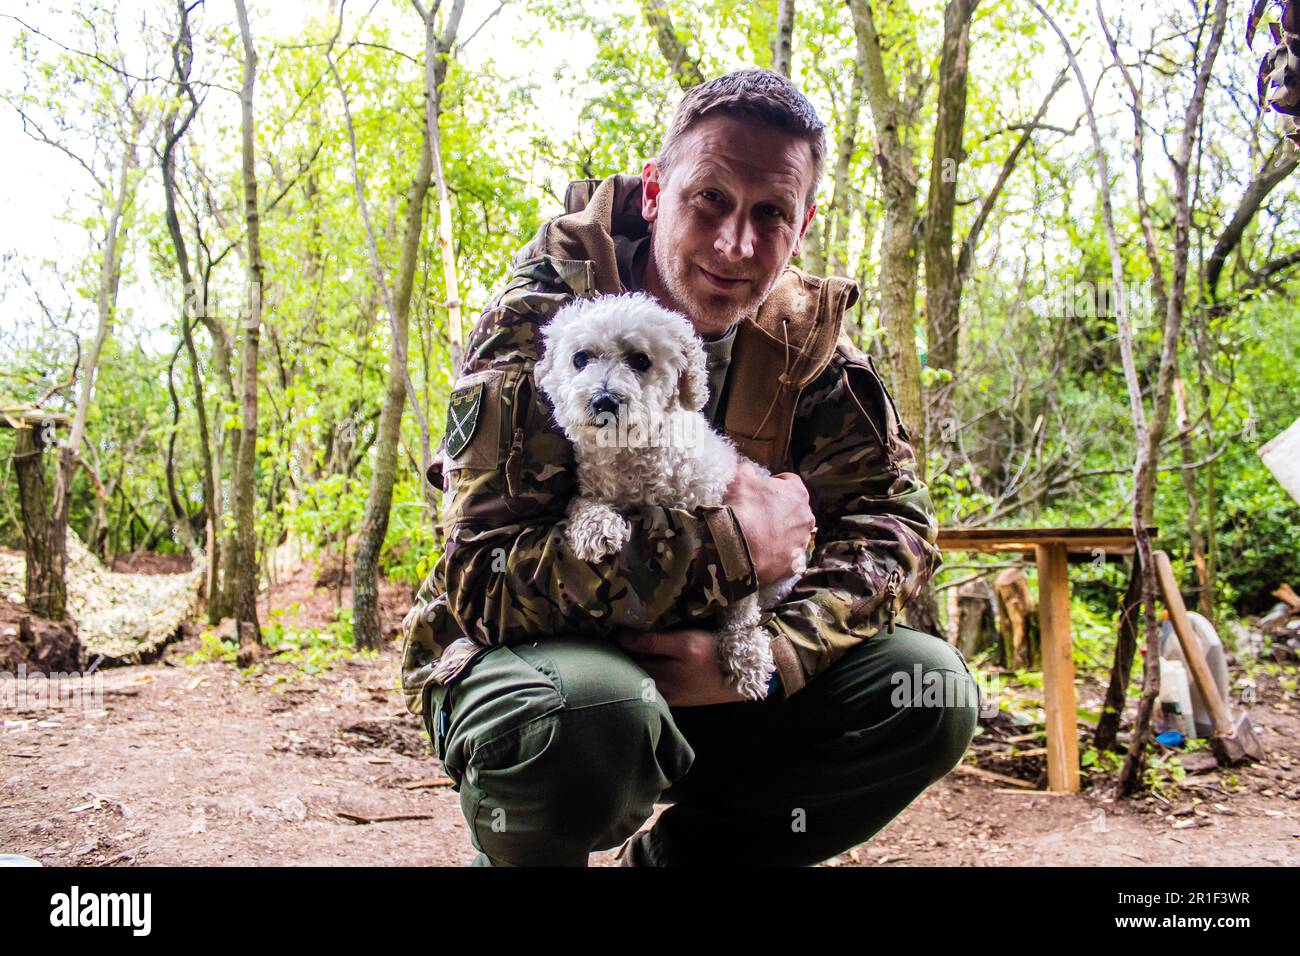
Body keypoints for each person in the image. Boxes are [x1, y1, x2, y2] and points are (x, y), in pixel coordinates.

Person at [400, 68, 979, 866]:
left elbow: (897, 530)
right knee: (593, 713)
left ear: (803, 224)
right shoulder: (544, 320)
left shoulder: (807, 344)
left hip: (723, 669)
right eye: (711, 198)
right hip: (545, 677)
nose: (736, 244)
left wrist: (771, 654)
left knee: (928, 690)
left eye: (770, 213)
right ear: (654, 191)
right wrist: (730, 551)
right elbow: (483, 579)